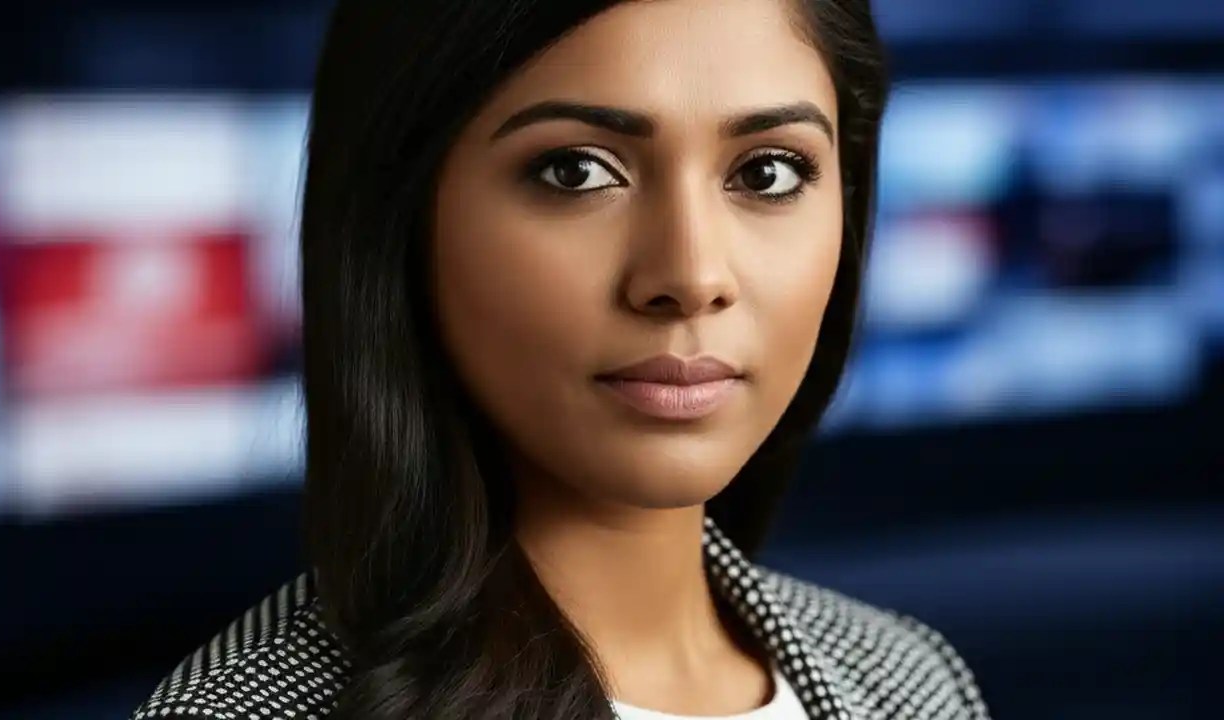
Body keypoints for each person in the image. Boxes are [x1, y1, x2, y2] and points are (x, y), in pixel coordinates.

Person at [131, 0, 991, 718]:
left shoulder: (912, 681)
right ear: (399, 220)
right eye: (576, 171)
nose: (690, 276)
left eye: (767, 173)